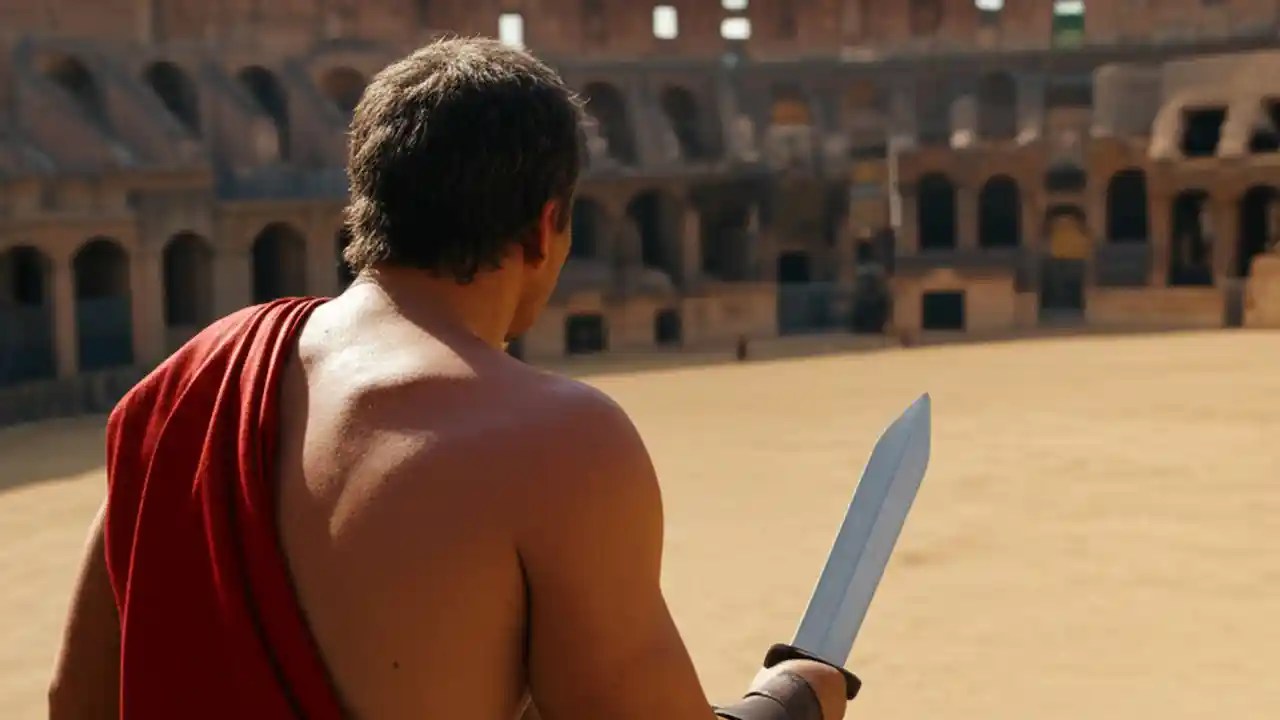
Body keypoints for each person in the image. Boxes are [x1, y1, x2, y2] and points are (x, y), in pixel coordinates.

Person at [49, 38, 858, 720]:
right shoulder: (555, 440)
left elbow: (74, 702)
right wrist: (790, 697)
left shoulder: (184, 389)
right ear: (547, 227)